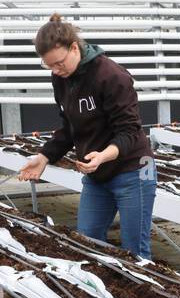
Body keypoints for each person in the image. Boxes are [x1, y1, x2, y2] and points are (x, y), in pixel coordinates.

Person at [16, 14, 156, 260]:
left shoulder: (111, 76)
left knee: (135, 252)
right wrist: (44, 157)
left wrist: (103, 155)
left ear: (73, 47)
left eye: (59, 63)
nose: (56, 70)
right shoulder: (62, 79)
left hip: (134, 170)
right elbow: (70, 127)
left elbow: (130, 131)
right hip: (96, 175)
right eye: (49, 66)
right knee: (87, 243)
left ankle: (142, 297)